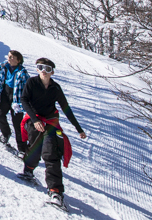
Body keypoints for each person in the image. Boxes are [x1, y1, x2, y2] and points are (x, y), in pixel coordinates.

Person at [18, 57, 88, 208]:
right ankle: (28, 170)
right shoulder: (31, 82)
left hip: (50, 122)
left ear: (52, 72)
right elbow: (24, 100)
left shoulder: (55, 88)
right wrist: (35, 119)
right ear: (37, 69)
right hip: (33, 119)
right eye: (41, 67)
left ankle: (55, 191)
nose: (44, 71)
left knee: (51, 153)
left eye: (47, 69)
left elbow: (65, 108)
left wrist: (79, 128)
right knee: (35, 147)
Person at [0, 50, 29, 153]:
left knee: (17, 124)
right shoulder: (3, 67)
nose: (9, 58)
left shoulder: (22, 72)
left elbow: (28, 86)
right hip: (5, 94)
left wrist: (23, 102)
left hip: (17, 98)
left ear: (18, 60)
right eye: (9, 56)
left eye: (12, 57)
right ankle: (6, 134)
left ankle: (22, 149)